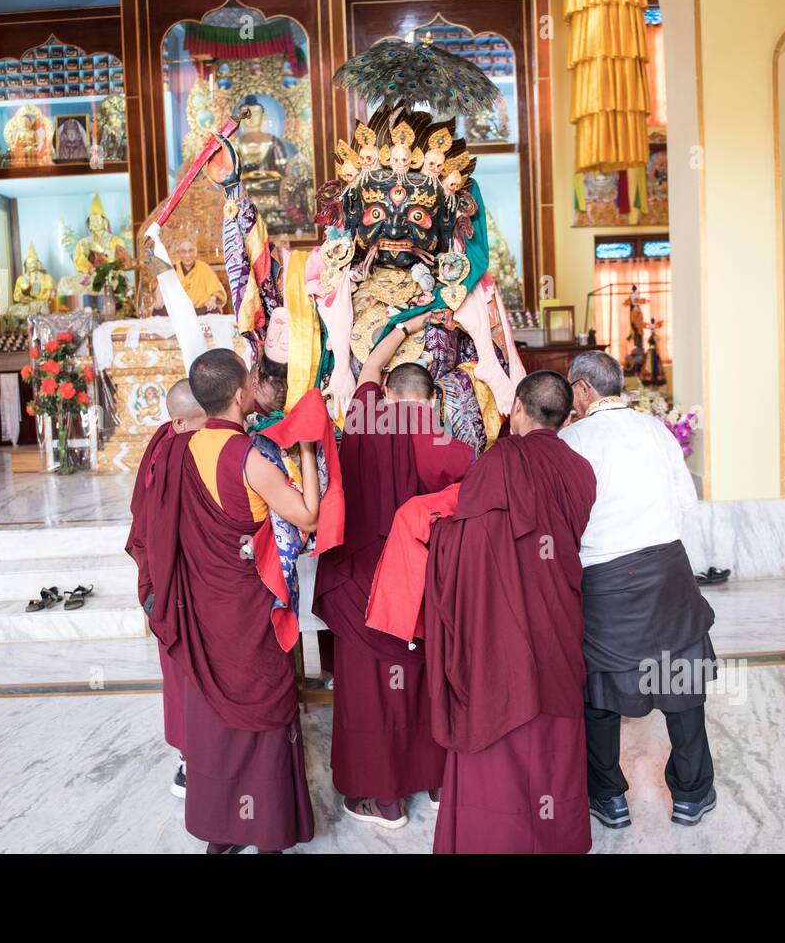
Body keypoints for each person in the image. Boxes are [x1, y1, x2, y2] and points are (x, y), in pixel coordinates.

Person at [423, 370, 597, 853]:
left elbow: (470, 545)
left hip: (500, 623)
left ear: (517, 407)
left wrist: (439, 534)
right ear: (568, 416)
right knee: (554, 719)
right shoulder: (580, 468)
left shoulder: (499, 461)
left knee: (503, 702)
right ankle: (554, 837)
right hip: (559, 615)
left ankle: (497, 836)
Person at [159, 348, 320, 854]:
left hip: (204, 605)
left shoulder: (178, 450)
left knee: (217, 715)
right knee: (266, 705)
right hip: (251, 606)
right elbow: (307, 516)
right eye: (251, 378)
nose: (256, 384)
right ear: (237, 395)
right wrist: (310, 449)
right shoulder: (248, 457)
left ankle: (222, 829)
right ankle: (267, 827)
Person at [314, 322, 474, 829]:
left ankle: (380, 800)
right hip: (422, 587)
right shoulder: (444, 442)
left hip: (364, 586)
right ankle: (439, 784)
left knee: (371, 695)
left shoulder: (365, 417)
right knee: (430, 679)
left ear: (386, 395)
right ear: (430, 402)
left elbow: (370, 366)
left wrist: (401, 325)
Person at [562, 351, 717, 830]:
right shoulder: (655, 431)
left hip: (606, 580)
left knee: (600, 693)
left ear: (583, 390)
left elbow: (565, 521)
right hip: (668, 571)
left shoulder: (572, 439)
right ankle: (692, 794)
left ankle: (609, 798)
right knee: (680, 681)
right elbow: (684, 503)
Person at [125, 379, 206, 800]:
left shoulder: (204, 443)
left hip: (205, 582)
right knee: (180, 673)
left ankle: (214, 753)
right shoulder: (167, 451)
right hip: (174, 582)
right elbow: (147, 518)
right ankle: (189, 760)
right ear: (177, 421)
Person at [176, 239, 228, 315]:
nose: (187, 255)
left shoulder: (204, 267)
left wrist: (212, 299)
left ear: (195, 252)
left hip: (202, 309)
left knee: (213, 309)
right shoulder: (173, 269)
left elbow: (216, 289)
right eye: (183, 252)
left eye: (190, 251)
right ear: (179, 254)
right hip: (180, 310)